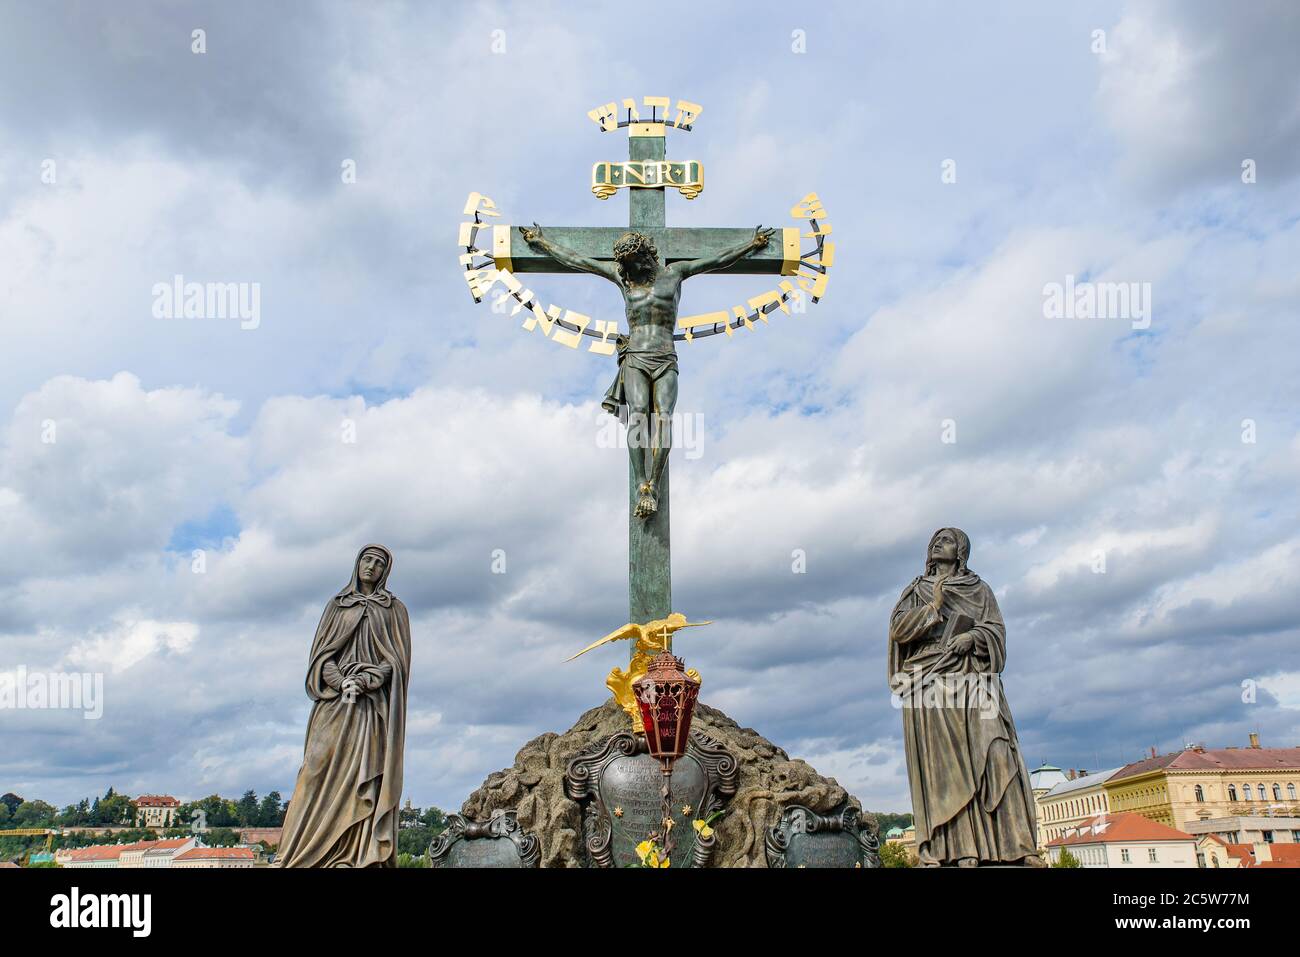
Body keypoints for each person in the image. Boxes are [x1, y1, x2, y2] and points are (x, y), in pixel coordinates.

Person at [888, 528, 1040, 867]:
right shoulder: (917, 590)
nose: (938, 543)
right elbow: (899, 631)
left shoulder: (980, 590)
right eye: (935, 540)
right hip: (929, 681)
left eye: (947, 539)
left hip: (973, 676)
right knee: (946, 768)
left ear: (961, 551)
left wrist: (973, 637)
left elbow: (997, 631)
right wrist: (935, 606)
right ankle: (959, 849)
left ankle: (1015, 844)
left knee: (998, 750)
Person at [275, 544, 410, 867]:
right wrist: (341, 681)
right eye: (367, 559)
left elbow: (398, 661)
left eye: (379, 563)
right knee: (314, 769)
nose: (371, 566)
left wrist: (369, 678)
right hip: (334, 704)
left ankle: (355, 855)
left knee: (365, 777)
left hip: (371, 710)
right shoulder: (337, 606)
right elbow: (321, 658)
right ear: (357, 563)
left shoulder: (394, 609)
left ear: (385, 572)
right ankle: (294, 854)